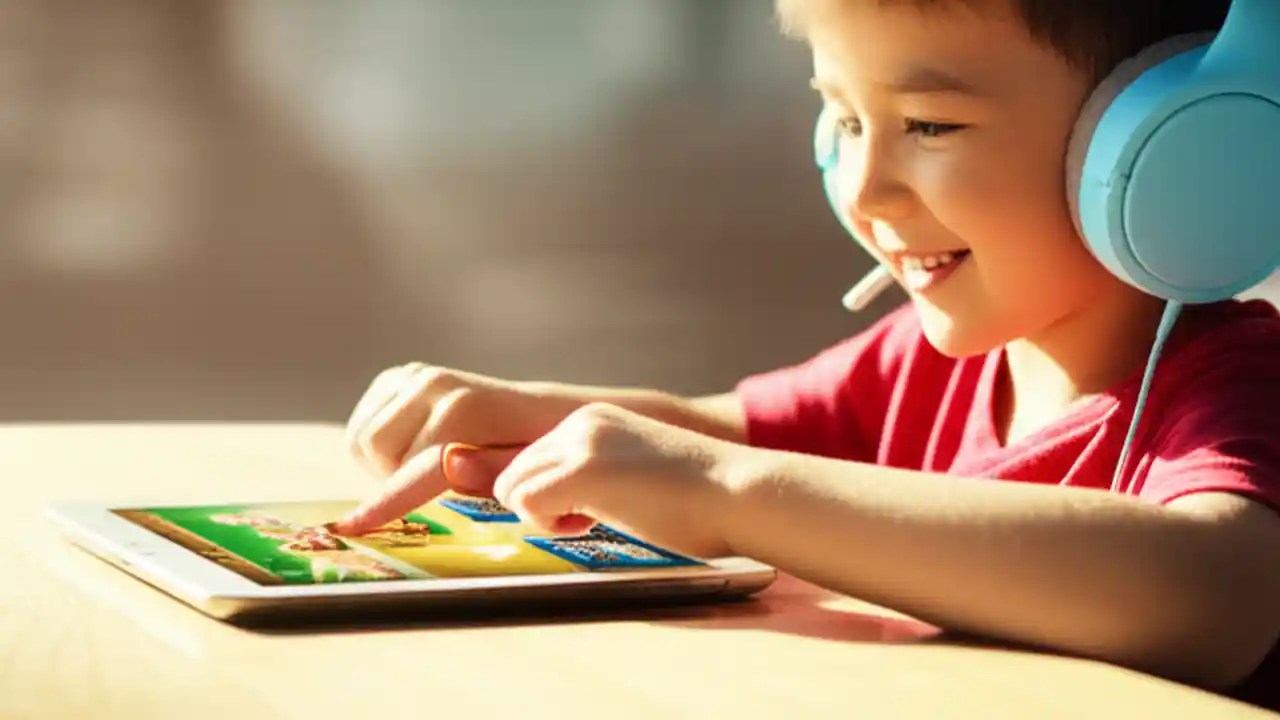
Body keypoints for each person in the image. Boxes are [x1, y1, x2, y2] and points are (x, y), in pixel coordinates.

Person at [332, 0, 1280, 708]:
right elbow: (723, 434)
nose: (863, 189)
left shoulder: (1235, 383)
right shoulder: (924, 365)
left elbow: (1215, 593)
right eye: (845, 120)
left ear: (1178, 141)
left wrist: (727, 493)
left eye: (929, 125)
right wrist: (549, 418)